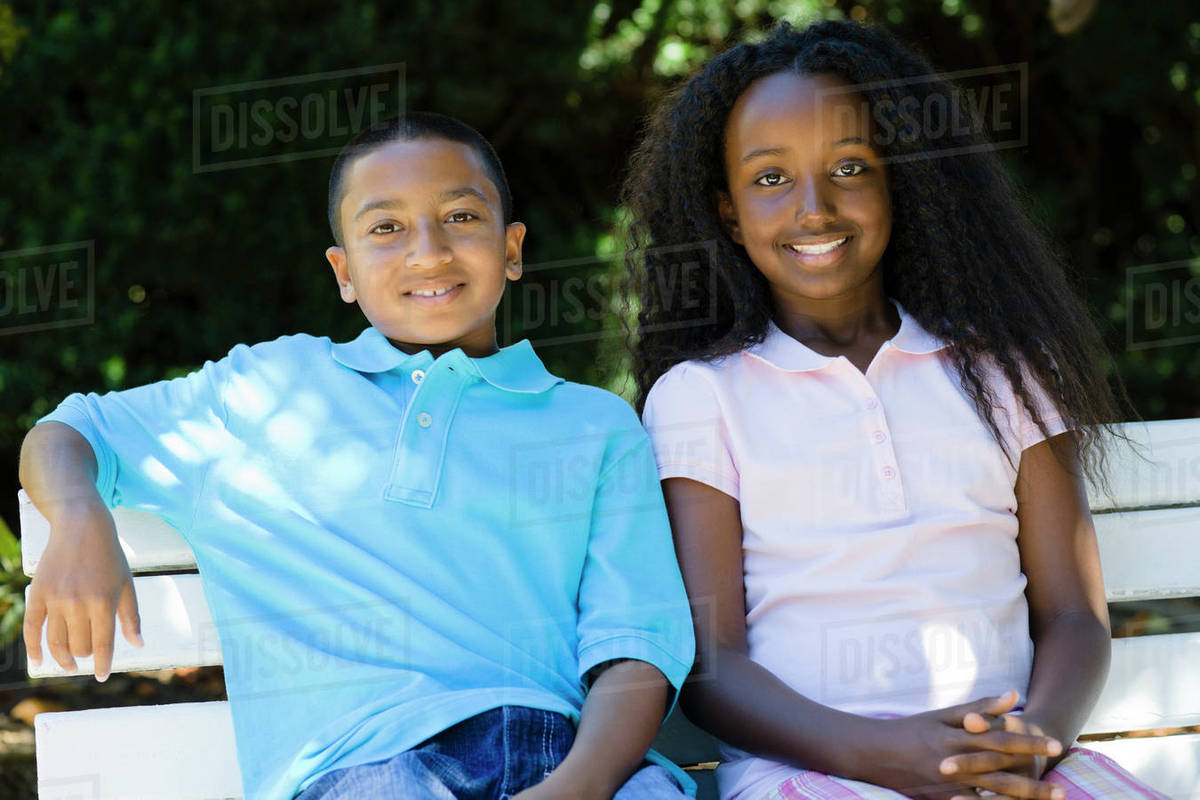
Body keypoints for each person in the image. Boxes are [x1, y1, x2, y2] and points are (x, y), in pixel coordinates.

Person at [20, 112, 697, 800]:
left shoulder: (595, 425)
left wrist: (573, 789)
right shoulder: (258, 394)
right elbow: (69, 432)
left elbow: (636, 647)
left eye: (461, 217)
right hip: (364, 772)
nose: (428, 251)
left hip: (570, 764)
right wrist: (77, 519)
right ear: (343, 271)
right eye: (385, 228)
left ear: (512, 249)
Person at [621, 19, 1168, 800]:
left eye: (850, 166)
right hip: (815, 775)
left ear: (899, 182)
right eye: (771, 179)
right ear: (729, 213)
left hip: (1018, 766)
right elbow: (711, 663)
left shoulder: (1005, 370)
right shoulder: (701, 397)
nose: (814, 207)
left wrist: (1032, 741)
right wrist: (882, 754)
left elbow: (1075, 618)